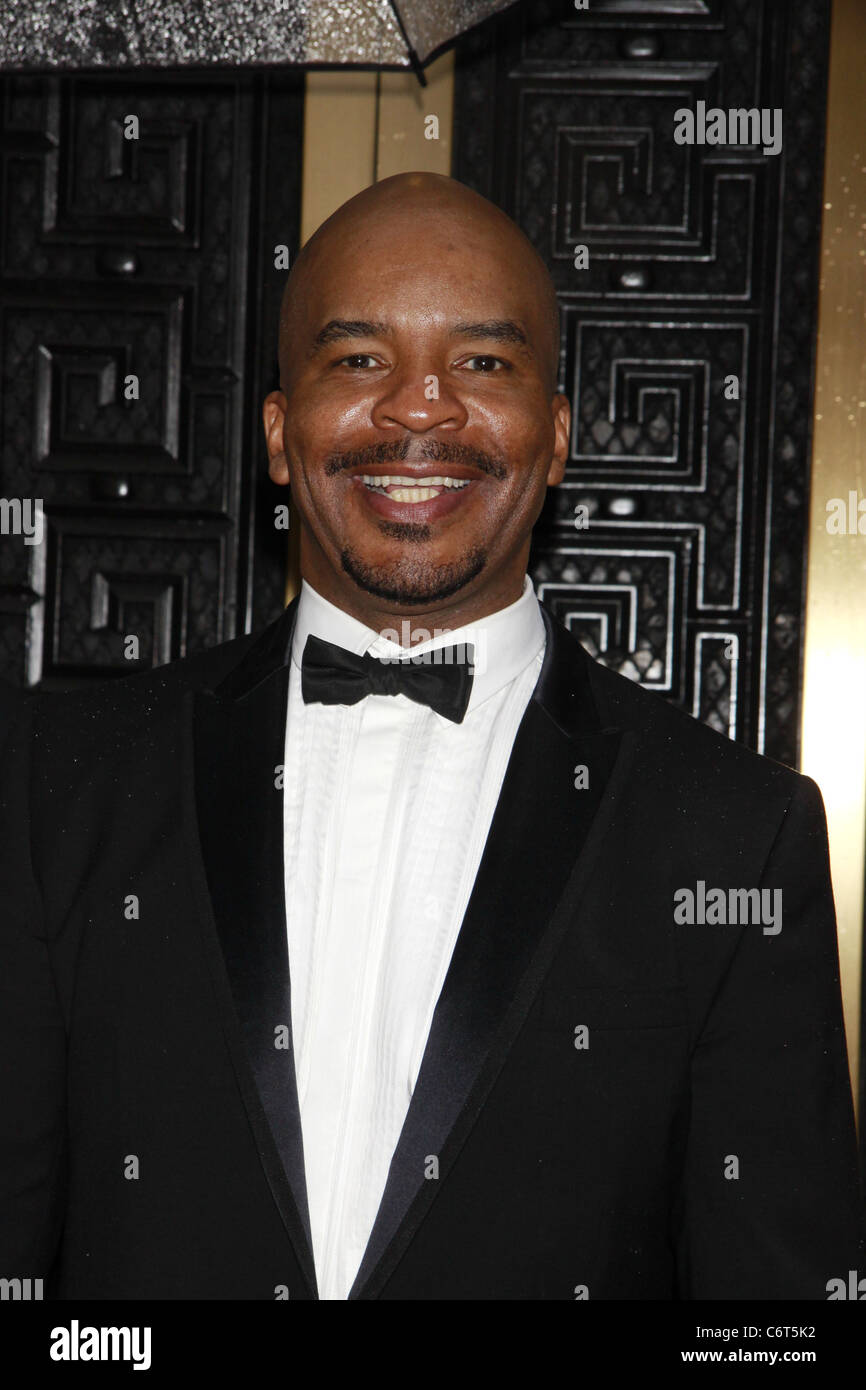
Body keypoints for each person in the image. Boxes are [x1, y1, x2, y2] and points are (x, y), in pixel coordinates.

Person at [0, 173, 861, 1301]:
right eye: (357, 359)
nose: (418, 408)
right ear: (276, 432)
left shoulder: (733, 835)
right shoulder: (57, 780)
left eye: (482, 363)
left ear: (554, 439)